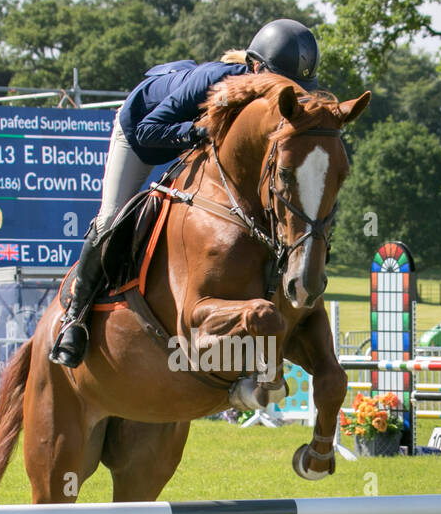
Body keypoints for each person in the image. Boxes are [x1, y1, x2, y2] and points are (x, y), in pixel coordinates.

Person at [48, 18, 322, 368]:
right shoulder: (213, 81)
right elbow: (149, 131)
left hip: (190, 138)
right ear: (256, 68)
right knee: (111, 218)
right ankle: (75, 316)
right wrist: (198, 132)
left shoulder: (266, 96)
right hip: (142, 134)